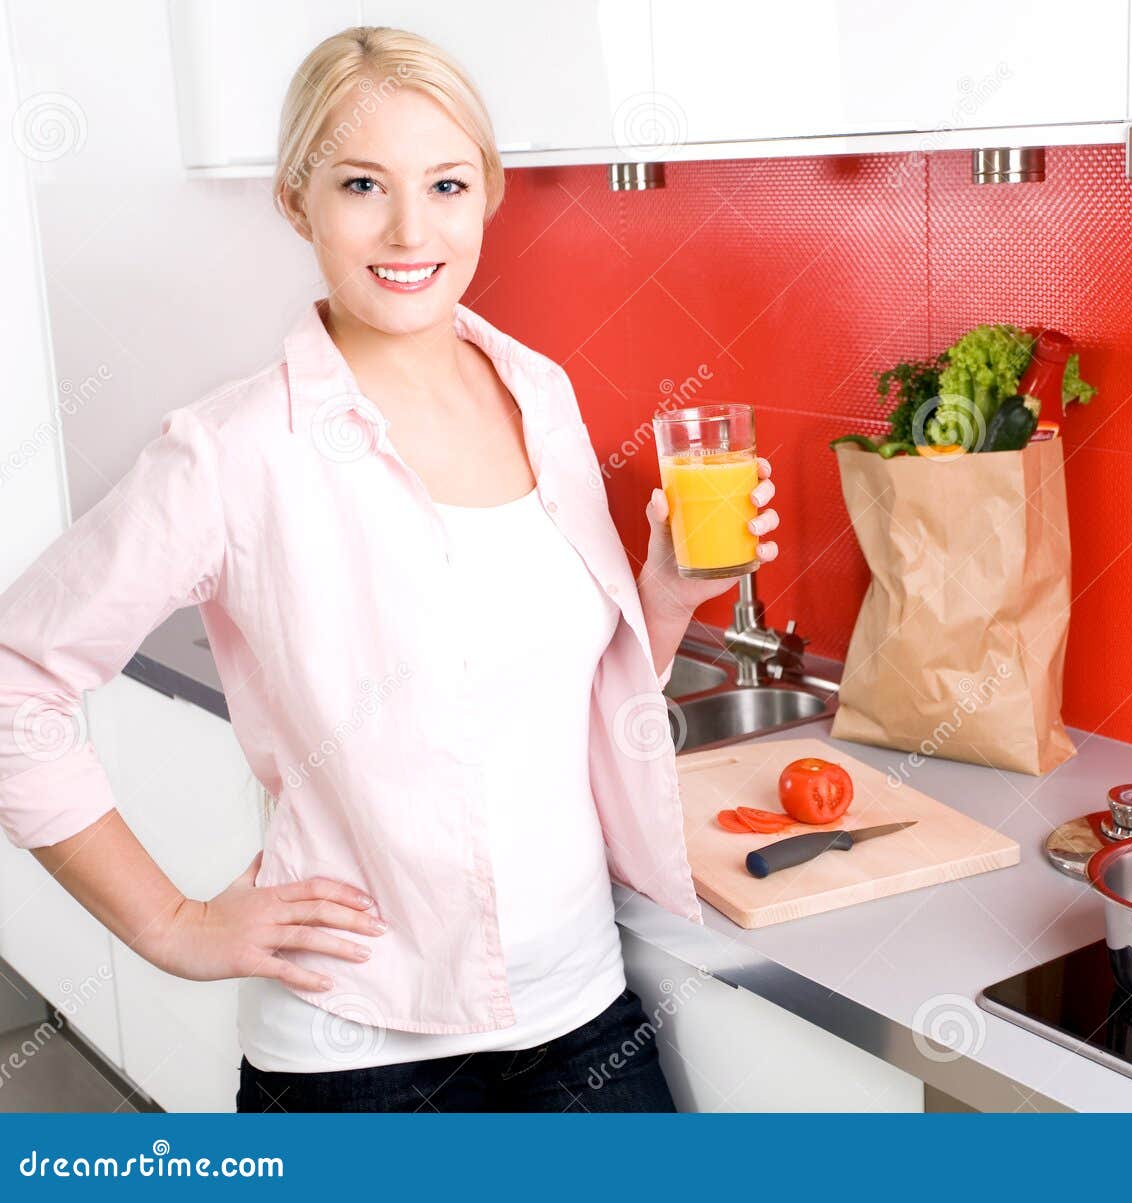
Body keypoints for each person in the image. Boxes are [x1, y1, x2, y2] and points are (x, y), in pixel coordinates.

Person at [0, 25, 780, 1113]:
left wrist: (665, 596)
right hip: (357, 1055)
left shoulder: (539, 394)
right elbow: (17, 679)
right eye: (362, 184)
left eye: (446, 184)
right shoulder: (233, 450)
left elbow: (567, 697)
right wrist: (172, 926)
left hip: (578, 1011)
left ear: (487, 194)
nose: (411, 229)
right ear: (297, 201)